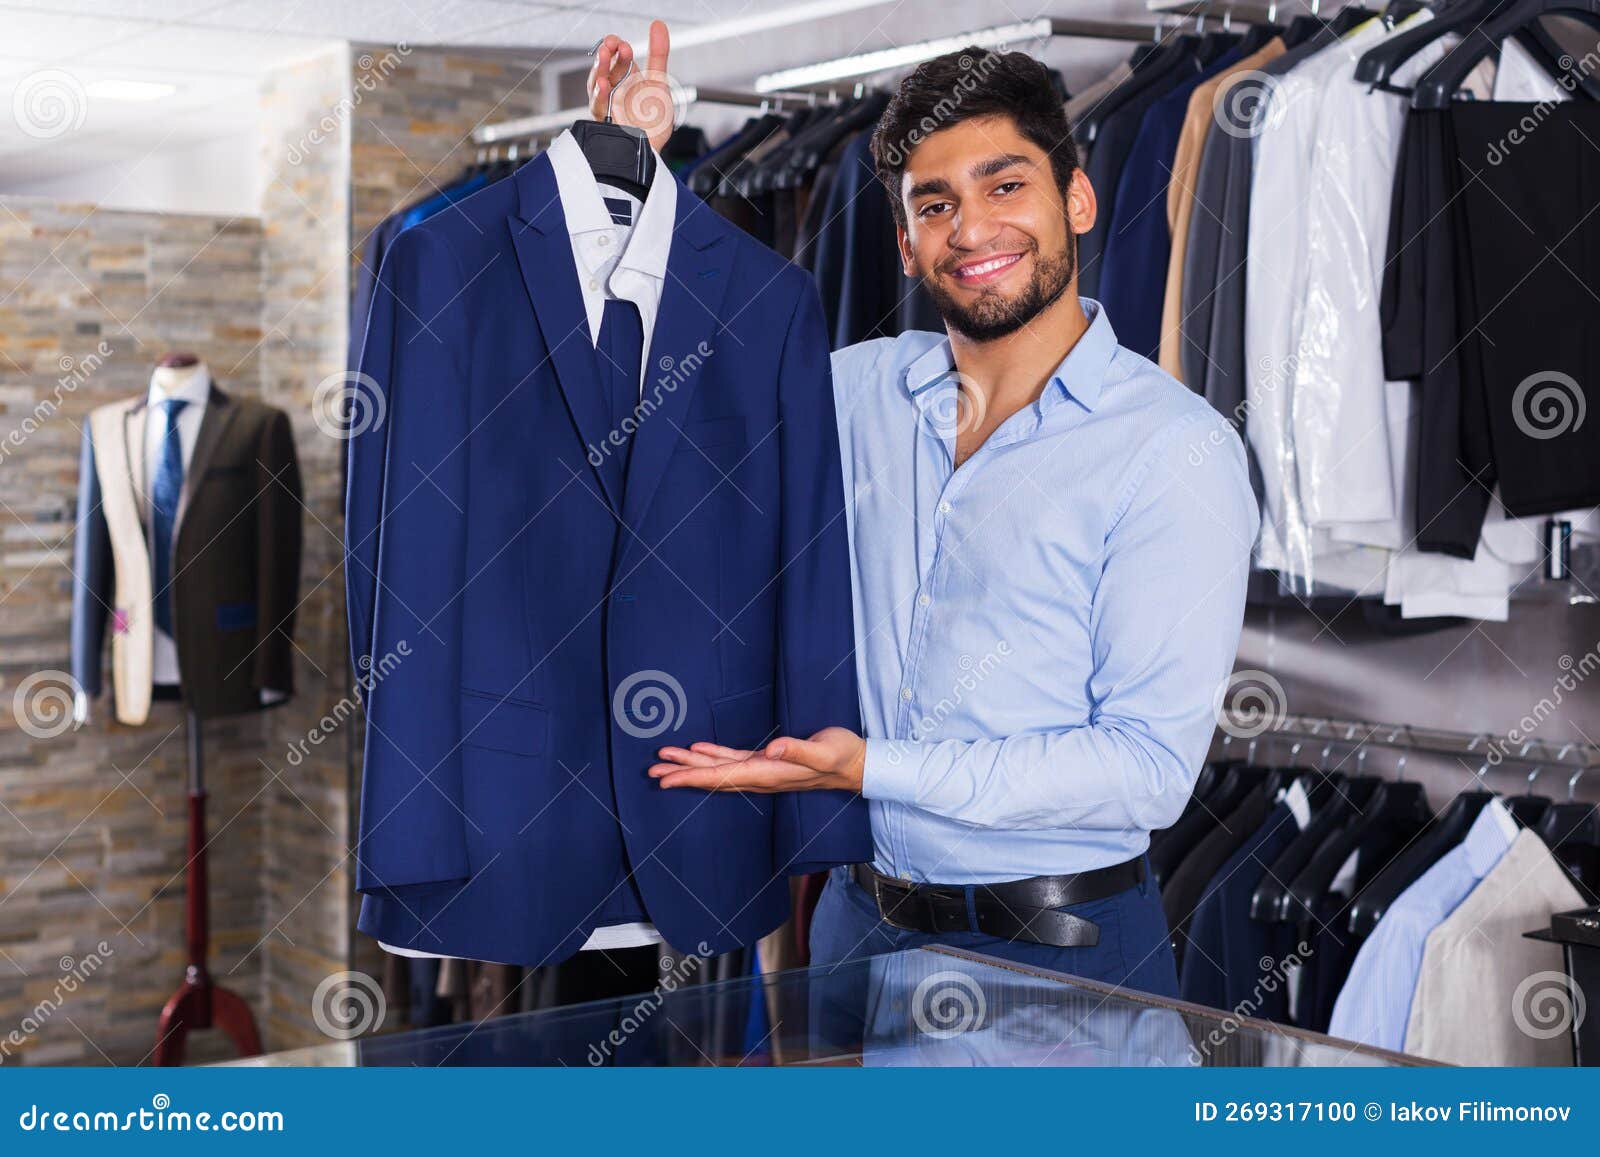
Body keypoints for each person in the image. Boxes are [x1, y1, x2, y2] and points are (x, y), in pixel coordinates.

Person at [593, 22, 1258, 999]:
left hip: (1062, 961)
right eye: (935, 204)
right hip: (854, 933)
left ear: (1076, 199)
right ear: (905, 245)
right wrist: (622, 187)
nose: (973, 230)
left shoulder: (1174, 451)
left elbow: (1144, 768)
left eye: (1005, 186)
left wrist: (873, 769)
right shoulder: (850, 392)